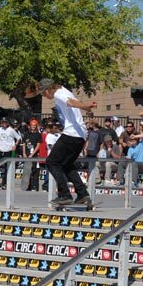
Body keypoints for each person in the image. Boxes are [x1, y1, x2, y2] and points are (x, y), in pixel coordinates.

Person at [31, 79, 97, 211]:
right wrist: (87, 109)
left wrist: (86, 107)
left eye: (44, 93)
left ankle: (65, 195)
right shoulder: (65, 91)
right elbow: (73, 102)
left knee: (52, 162)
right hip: (80, 136)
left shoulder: (58, 94)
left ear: (49, 88)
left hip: (71, 134)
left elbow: (71, 102)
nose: (44, 96)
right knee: (66, 165)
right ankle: (83, 194)